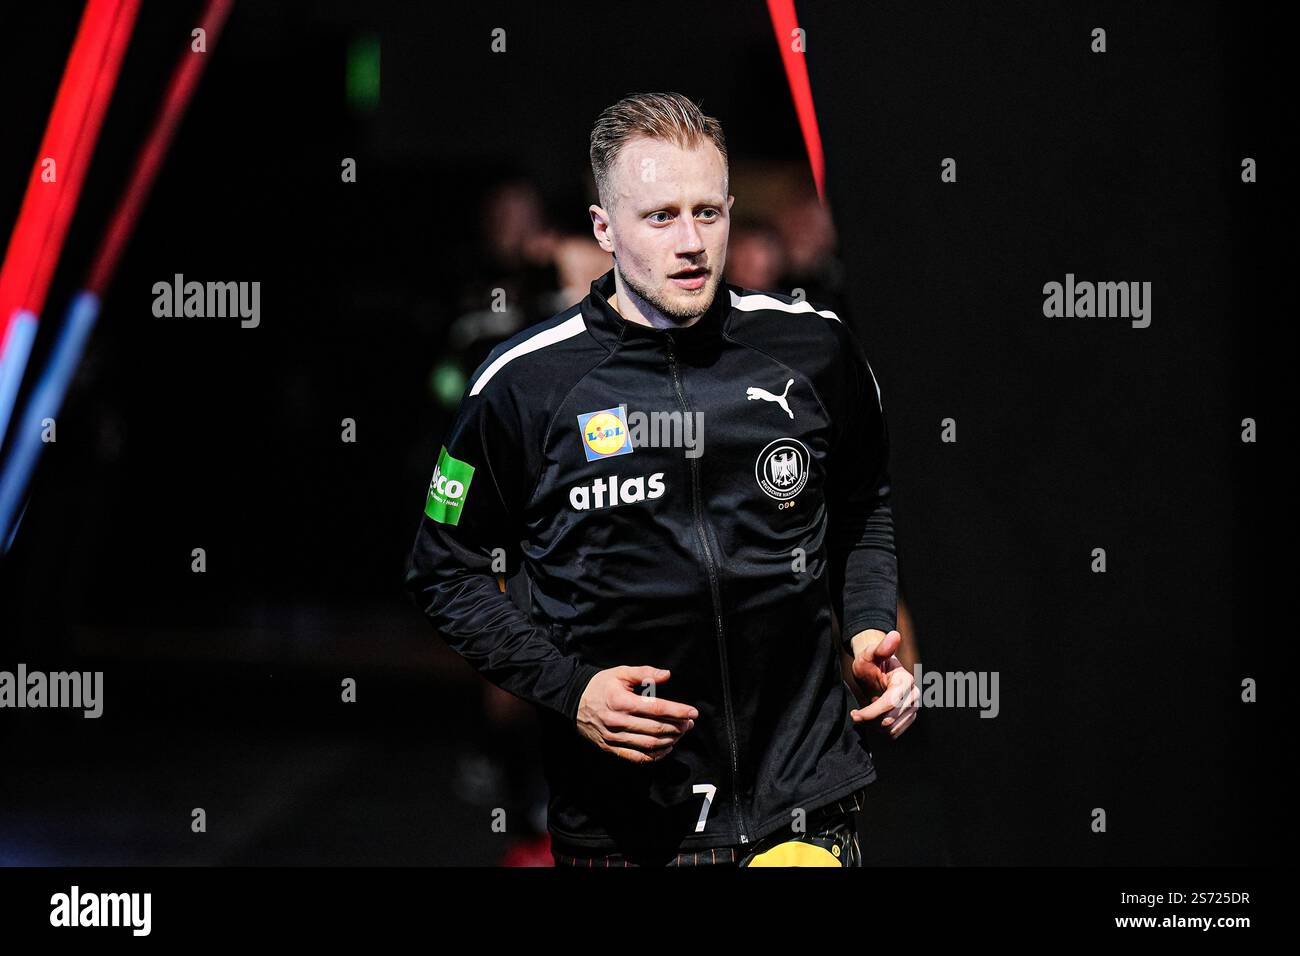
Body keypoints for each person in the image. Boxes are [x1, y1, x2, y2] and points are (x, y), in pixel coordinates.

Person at [404, 91, 918, 867]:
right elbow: (445, 569)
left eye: (708, 213)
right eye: (661, 217)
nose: (691, 243)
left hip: (802, 802)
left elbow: (861, 508)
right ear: (604, 228)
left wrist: (871, 622)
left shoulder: (814, 351)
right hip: (628, 827)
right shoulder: (525, 386)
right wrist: (571, 689)